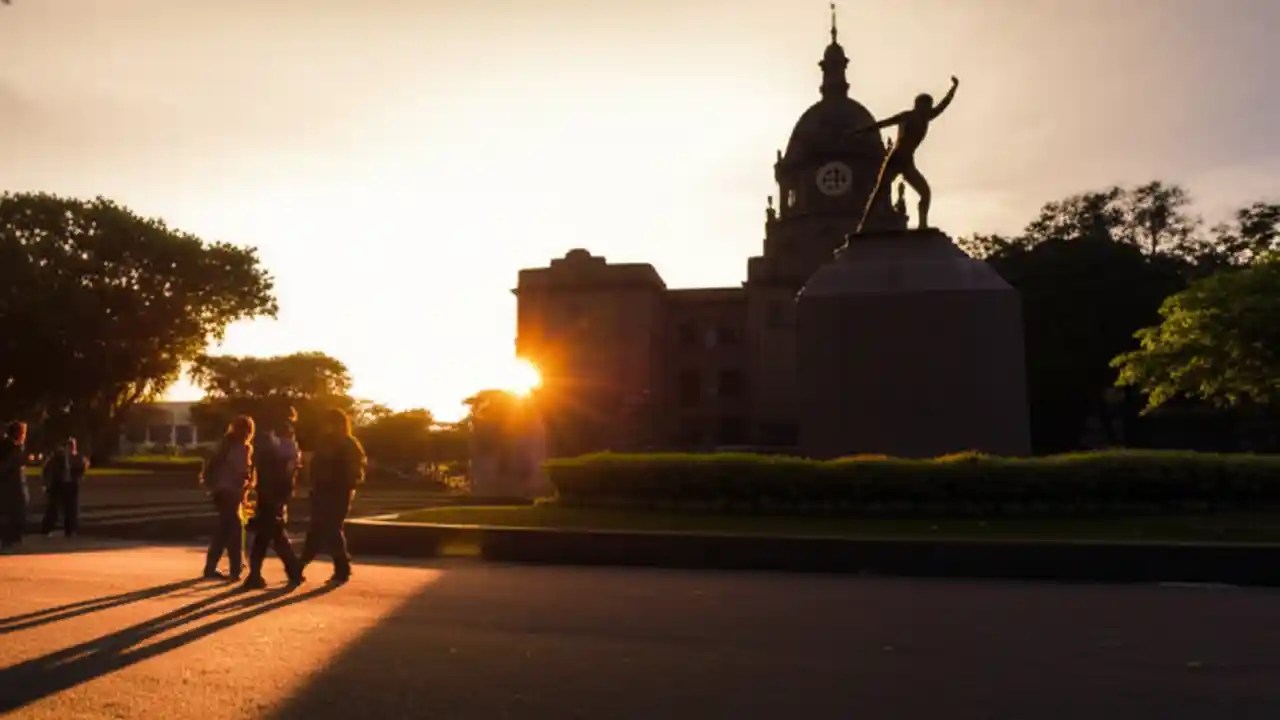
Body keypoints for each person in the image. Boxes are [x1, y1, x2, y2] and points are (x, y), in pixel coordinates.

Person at [855, 75, 960, 232]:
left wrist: (953, 88)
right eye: (925, 106)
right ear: (918, 105)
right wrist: (864, 130)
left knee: (925, 193)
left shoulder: (927, 117)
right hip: (895, 158)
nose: (928, 109)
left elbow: (943, 105)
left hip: (907, 162)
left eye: (929, 106)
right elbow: (885, 122)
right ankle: (863, 227)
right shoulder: (908, 116)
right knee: (880, 191)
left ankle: (922, 225)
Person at [299, 409, 366, 584]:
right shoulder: (325, 442)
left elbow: (356, 471)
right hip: (321, 490)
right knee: (316, 529)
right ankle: (299, 566)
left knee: (332, 529)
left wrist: (344, 482)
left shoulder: (349, 444)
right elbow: (315, 466)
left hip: (338, 491)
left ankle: (341, 568)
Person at [243, 409, 303, 589]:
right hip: (276, 493)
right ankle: (292, 572)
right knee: (273, 534)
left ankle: (257, 575)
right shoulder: (286, 445)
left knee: (267, 535)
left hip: (268, 493)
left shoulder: (267, 442)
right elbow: (290, 471)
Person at [201, 416, 254, 581]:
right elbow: (241, 471)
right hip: (231, 491)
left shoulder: (224, 444)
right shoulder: (241, 447)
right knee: (234, 531)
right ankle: (235, 568)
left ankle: (211, 567)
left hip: (220, 491)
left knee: (223, 531)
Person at [40, 438, 83, 537]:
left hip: (71, 485)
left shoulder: (77, 458)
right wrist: (47, 482)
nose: (70, 449)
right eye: (69, 446)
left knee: (71, 509)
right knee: (53, 508)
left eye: (72, 446)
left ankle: (70, 530)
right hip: (58, 485)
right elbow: (48, 469)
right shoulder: (57, 458)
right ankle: (47, 528)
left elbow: (81, 469)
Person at [0, 421, 29, 550]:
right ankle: (10, 538)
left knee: (12, 512)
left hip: (13, 485)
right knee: (13, 512)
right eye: (23, 433)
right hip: (11, 486)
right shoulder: (12, 449)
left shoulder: (12, 447)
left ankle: (10, 538)